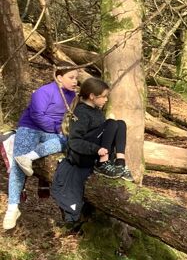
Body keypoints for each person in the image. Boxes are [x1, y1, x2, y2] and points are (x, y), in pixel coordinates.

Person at [3, 67, 79, 230]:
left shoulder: (72, 96)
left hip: (51, 131)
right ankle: (12, 207)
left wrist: (61, 131)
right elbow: (37, 115)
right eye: (71, 77)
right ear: (59, 77)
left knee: (67, 141)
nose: (75, 81)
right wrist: (56, 129)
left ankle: (29, 157)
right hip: (30, 127)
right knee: (17, 164)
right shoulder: (44, 91)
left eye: (76, 78)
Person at [51, 78, 133, 226]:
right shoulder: (81, 112)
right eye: (104, 96)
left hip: (95, 152)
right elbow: (74, 142)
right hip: (82, 156)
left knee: (120, 124)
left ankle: (121, 163)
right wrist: (97, 150)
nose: (106, 100)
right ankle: (103, 163)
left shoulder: (97, 112)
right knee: (112, 123)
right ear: (92, 96)